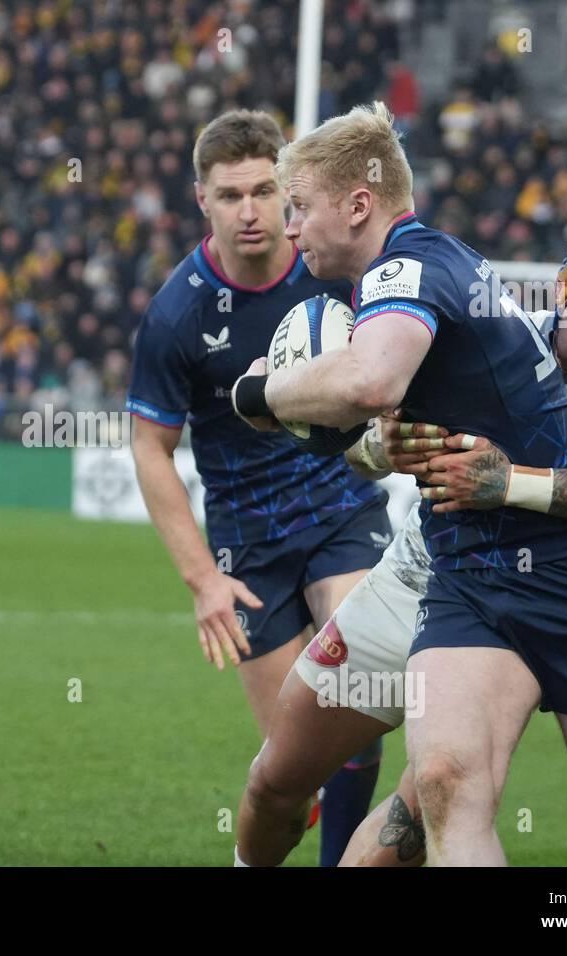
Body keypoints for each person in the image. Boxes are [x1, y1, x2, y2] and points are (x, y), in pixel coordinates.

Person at [229, 103, 567, 866]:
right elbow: (371, 430)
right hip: (437, 572)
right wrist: (379, 446)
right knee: (407, 788)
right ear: (559, 294)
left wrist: (511, 484)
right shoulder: (500, 325)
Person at [128, 110, 391, 865]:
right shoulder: (177, 312)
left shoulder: (334, 267)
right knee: (291, 768)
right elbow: (150, 446)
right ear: (202, 200)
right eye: (230, 195)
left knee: (360, 695)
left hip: (342, 506)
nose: (251, 211)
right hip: (249, 541)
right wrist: (202, 577)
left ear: (288, 189)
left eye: (265, 190)